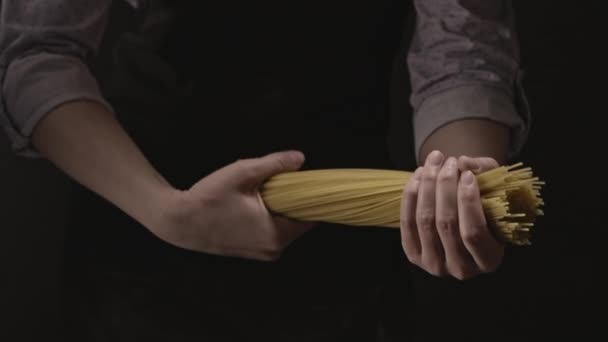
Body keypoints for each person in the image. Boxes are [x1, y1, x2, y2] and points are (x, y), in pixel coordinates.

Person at [0, 0, 531, 341]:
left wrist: (460, 180)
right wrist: (166, 211)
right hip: (140, 238)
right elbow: (38, 53)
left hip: (342, 251)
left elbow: (463, 53)